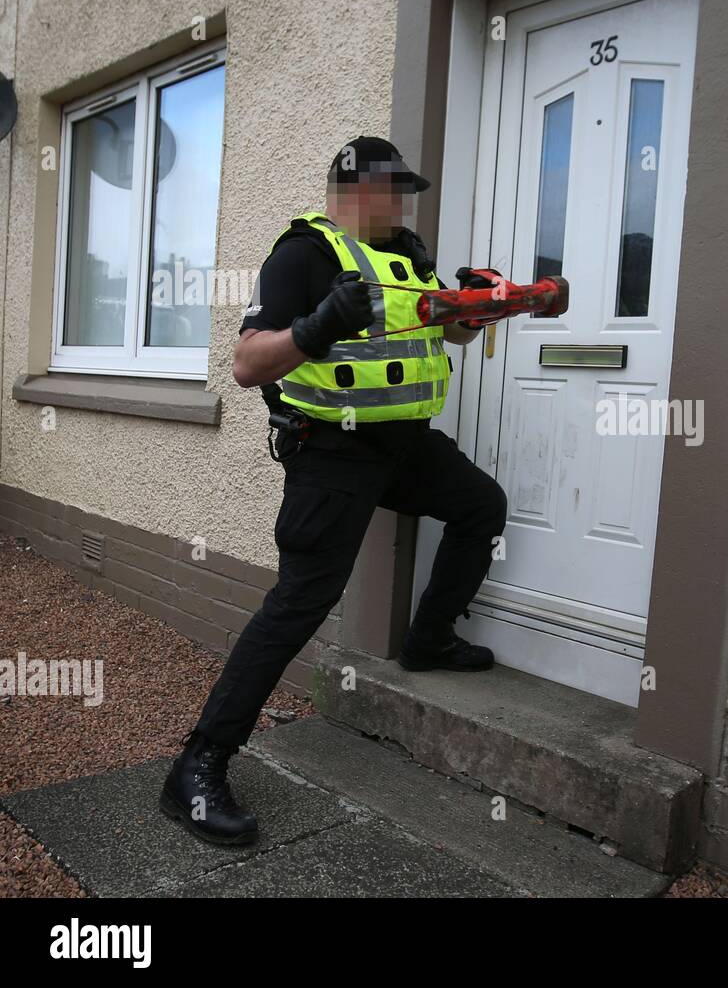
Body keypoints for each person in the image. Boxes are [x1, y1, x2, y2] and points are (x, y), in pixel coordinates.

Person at [160, 136, 508, 845]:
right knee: (300, 604)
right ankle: (197, 768)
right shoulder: (302, 254)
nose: (404, 203)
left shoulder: (408, 252)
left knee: (481, 505)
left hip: (402, 443)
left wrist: (471, 309)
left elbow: (443, 333)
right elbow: (247, 364)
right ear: (354, 191)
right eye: (394, 190)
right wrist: (317, 325)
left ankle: (429, 638)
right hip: (333, 453)